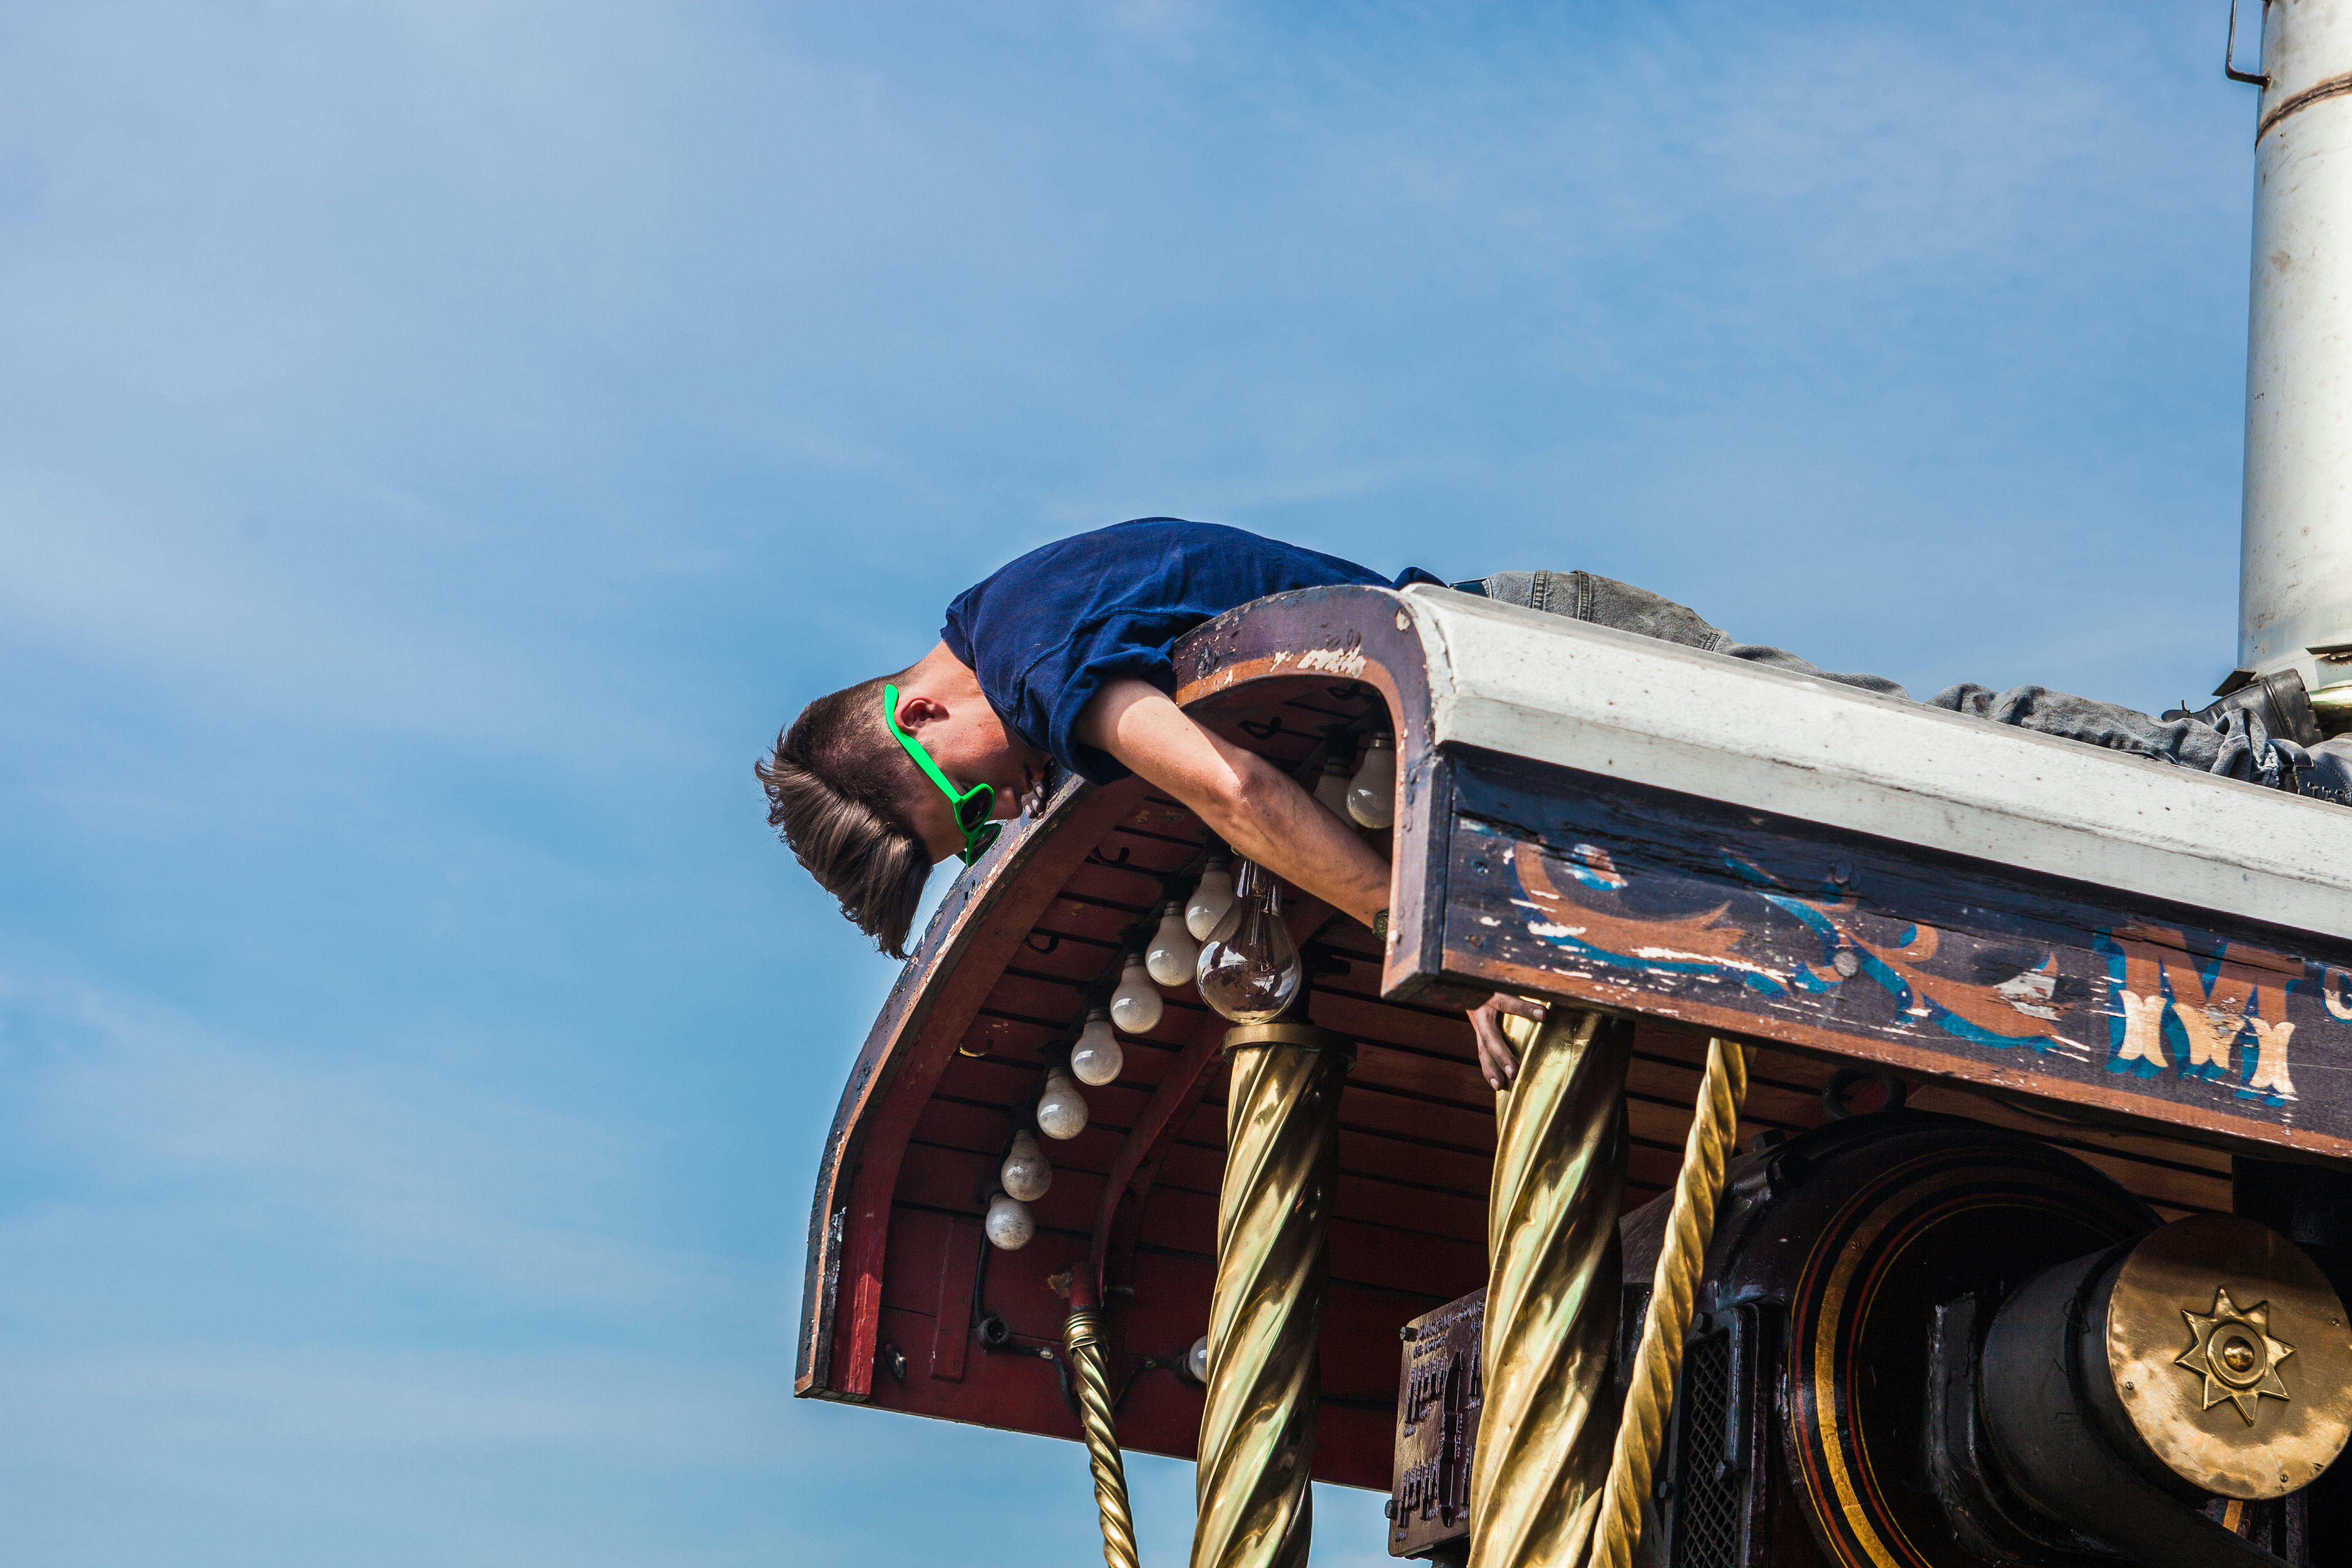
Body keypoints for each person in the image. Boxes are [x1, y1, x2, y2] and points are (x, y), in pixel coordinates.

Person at [759, 517, 2350, 1091]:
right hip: (1514, 668)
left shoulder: (1029, 657)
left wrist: (1440, 944)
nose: (1011, 819)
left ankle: (2258, 775)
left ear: (925, 711)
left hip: (1526, 660)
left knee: (1908, 759)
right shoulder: (1023, 605)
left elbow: (1235, 785)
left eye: (968, 817)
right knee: (1891, 752)